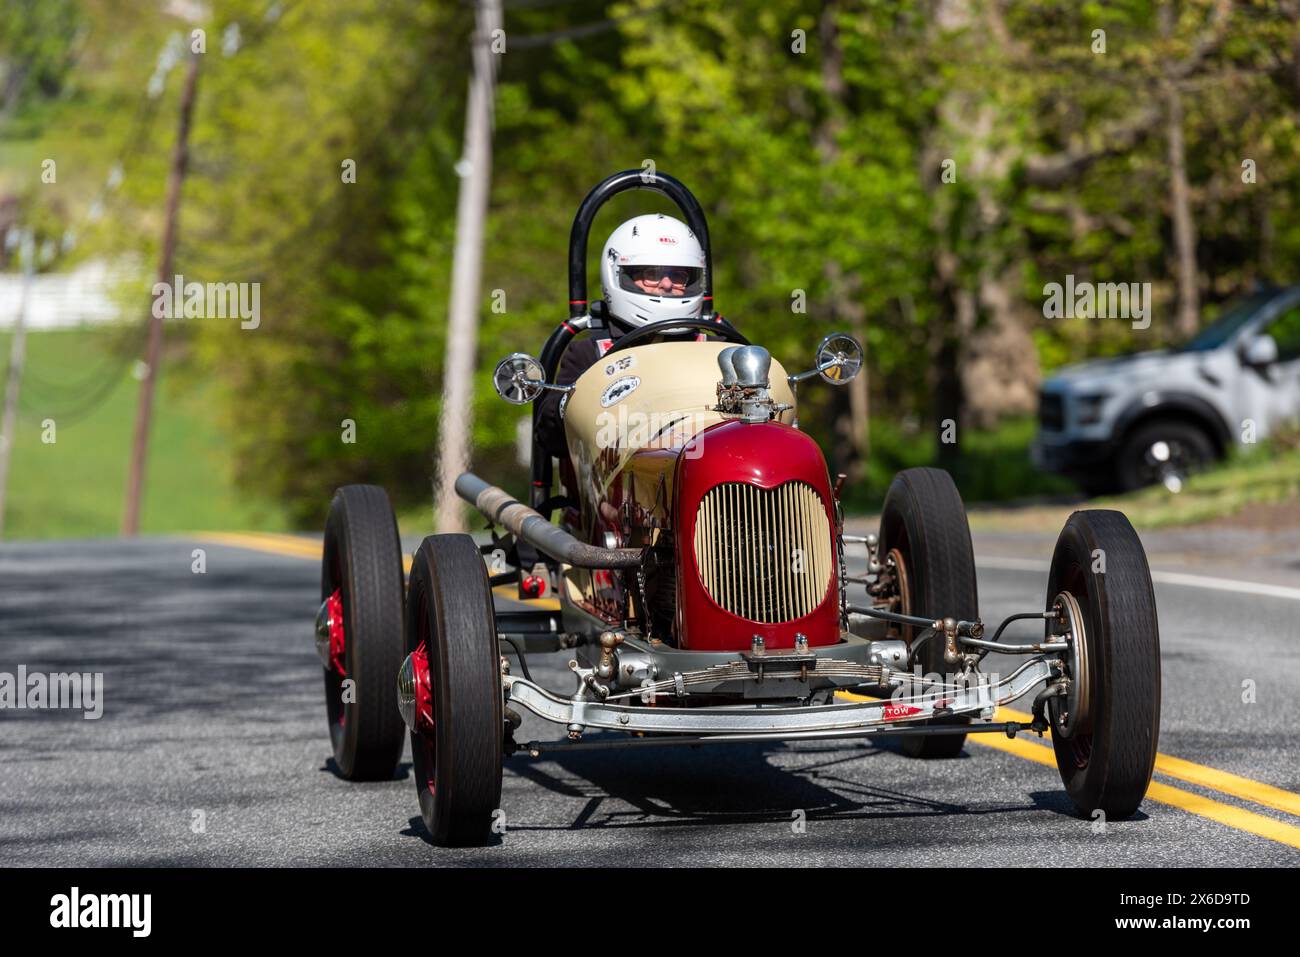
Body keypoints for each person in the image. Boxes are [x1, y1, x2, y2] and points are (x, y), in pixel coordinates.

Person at [535, 213, 708, 458]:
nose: (667, 284)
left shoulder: (715, 350)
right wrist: (575, 403)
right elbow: (550, 440)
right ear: (622, 275)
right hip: (615, 487)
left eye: (679, 275)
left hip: (702, 476)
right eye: (652, 273)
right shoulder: (590, 354)